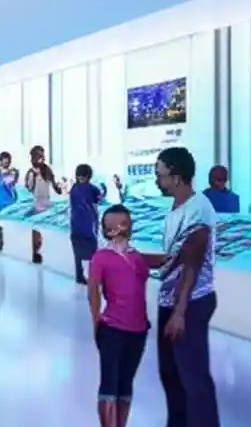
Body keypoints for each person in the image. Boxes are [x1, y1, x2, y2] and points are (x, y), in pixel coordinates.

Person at [142, 147, 219, 427]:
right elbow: (172, 258)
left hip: (190, 304)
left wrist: (180, 311)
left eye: (160, 175)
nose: (157, 181)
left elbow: (192, 262)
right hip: (170, 302)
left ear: (176, 176)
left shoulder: (198, 209)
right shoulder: (175, 209)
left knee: (193, 378)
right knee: (171, 375)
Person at [88, 204, 151, 427]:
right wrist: (96, 321)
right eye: (117, 226)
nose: (123, 230)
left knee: (125, 383)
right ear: (107, 230)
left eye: (126, 224)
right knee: (109, 383)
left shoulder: (136, 257)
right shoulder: (101, 257)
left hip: (138, 330)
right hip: (112, 328)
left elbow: (147, 265)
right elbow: (93, 290)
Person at [25, 145, 61, 264]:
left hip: (47, 201)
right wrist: (33, 178)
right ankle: (35, 252)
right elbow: (29, 188)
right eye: (38, 156)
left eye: (42, 155)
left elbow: (55, 186)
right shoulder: (31, 172)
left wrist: (60, 188)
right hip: (36, 202)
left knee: (42, 228)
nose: (41, 158)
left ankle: (41, 249)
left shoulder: (47, 170)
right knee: (36, 228)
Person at [70, 164, 104, 285]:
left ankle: (79, 275)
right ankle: (94, 277)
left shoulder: (74, 188)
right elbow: (99, 198)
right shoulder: (92, 189)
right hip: (88, 224)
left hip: (75, 224)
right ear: (89, 176)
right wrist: (104, 190)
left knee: (77, 252)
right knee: (93, 252)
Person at [0, 151, 20, 251]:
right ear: (1, 162)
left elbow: (13, 182)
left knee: (12, 222)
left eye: (8, 162)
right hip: (2, 201)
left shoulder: (12, 173)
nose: (6, 164)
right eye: (4, 162)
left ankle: (13, 242)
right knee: (0, 222)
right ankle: (0, 241)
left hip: (11, 200)